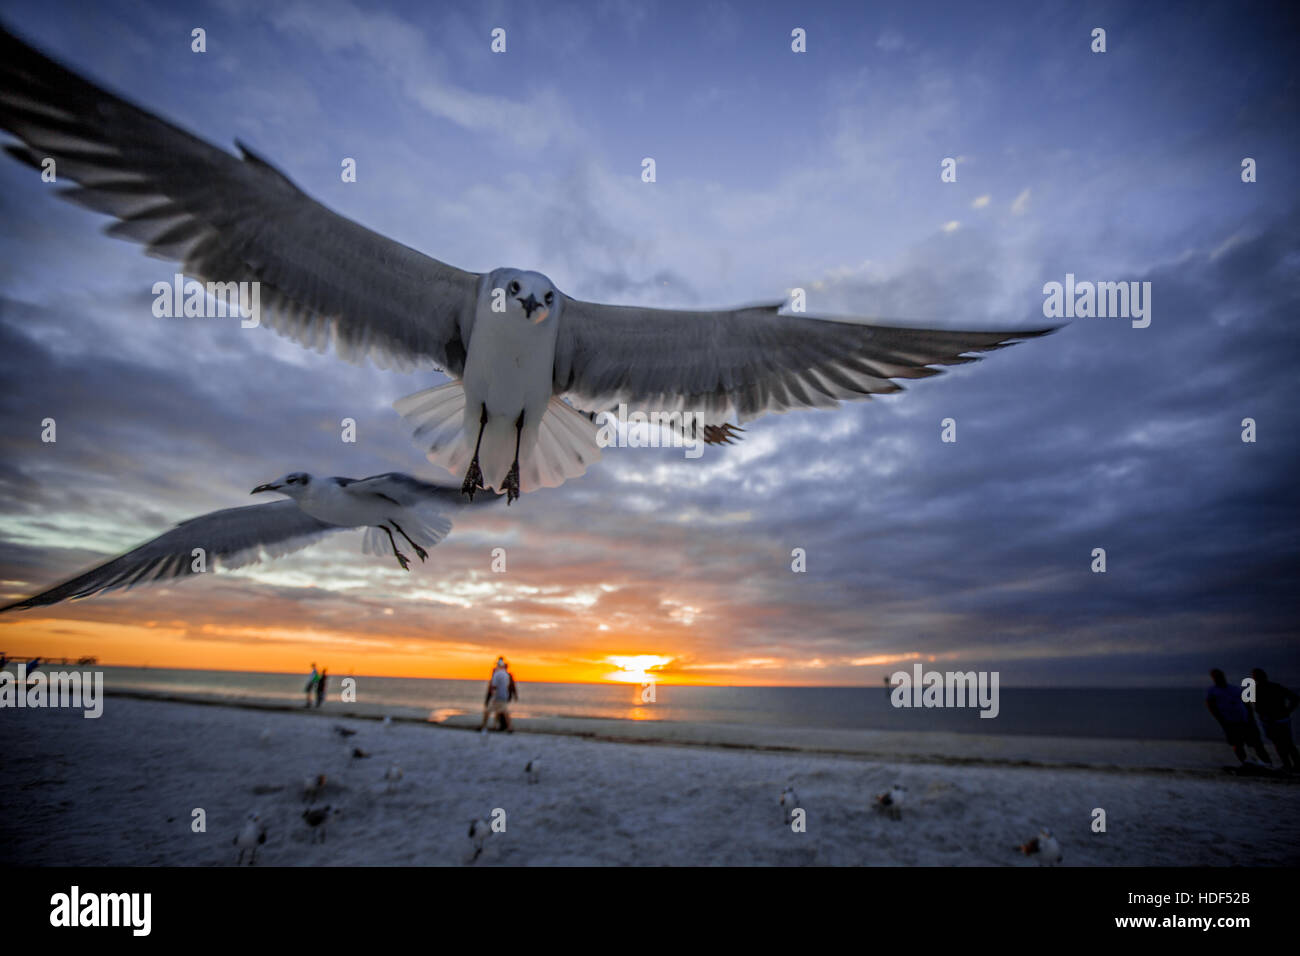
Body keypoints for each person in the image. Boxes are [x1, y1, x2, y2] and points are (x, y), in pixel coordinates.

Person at [1206, 668, 1271, 765]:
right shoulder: (1212, 691)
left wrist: (1251, 718)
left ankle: (1267, 762)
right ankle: (1245, 762)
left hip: (1244, 720)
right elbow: (1211, 706)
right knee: (1237, 743)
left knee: (1256, 743)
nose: (1219, 678)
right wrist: (1222, 721)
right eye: (1216, 677)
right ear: (1213, 678)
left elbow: (1247, 704)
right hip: (1230, 721)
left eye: (1220, 676)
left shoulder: (1235, 689)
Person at [1251, 668, 1299, 771]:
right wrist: (1287, 711)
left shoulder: (1259, 689)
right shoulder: (1273, 687)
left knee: (1282, 743)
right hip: (1277, 719)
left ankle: (1290, 765)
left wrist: (1287, 710)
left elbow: (1295, 698)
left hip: (1275, 719)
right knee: (1284, 742)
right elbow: (1294, 698)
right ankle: (1291, 764)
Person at [478, 657, 515, 733]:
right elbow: (509, 686)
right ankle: (508, 727)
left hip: (497, 696)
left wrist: (492, 695)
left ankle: (483, 726)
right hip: (504, 696)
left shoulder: (497, 674)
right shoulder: (506, 674)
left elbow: (494, 686)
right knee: (504, 712)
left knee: (487, 711)